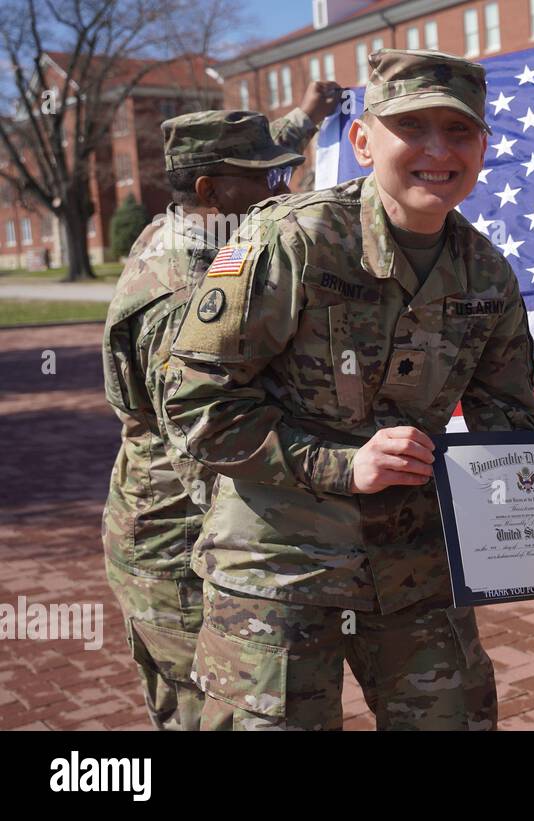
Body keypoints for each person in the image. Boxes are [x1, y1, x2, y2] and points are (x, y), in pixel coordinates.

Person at [163, 49, 534, 731]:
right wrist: (342, 465)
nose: (438, 151)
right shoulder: (292, 240)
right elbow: (195, 403)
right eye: (412, 127)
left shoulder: (487, 274)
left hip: (412, 563)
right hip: (279, 562)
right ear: (364, 142)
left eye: (459, 131)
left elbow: (512, 426)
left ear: (483, 149)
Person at [101, 94, 338, 731]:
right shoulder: (184, 292)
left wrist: (307, 117)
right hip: (181, 550)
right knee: (210, 712)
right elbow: (202, 446)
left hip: (189, 538)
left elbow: (261, 152)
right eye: (262, 178)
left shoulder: (196, 231)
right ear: (209, 190)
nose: (279, 189)